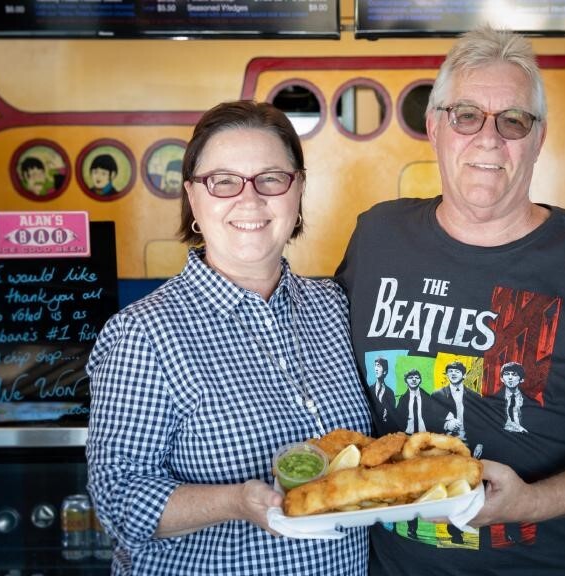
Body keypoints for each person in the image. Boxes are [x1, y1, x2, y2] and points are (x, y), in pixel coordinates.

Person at [335, 26, 565, 573]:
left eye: (514, 120)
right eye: (466, 114)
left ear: (539, 137)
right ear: (434, 127)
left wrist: (530, 503)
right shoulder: (378, 236)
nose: (489, 139)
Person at [86, 100, 372, 575]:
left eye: (271, 179)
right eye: (223, 182)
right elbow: (117, 499)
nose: (250, 199)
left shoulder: (334, 307)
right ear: (193, 199)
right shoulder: (145, 334)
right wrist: (237, 501)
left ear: (298, 188)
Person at [432, 360, 481, 445]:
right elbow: (430, 418)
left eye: (457, 371)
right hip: (445, 442)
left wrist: (480, 443)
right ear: (447, 375)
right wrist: (446, 425)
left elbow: (480, 422)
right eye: (450, 371)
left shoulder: (475, 396)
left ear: (464, 375)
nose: (453, 374)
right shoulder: (437, 395)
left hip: (469, 443)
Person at [499, 361, 528, 433]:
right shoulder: (494, 399)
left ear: (521, 379)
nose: (510, 377)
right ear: (502, 379)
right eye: (506, 374)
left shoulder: (530, 400)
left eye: (514, 374)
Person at [369, 356, 396, 424]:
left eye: (379, 366)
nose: (376, 369)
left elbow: (393, 413)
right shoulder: (369, 389)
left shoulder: (390, 392)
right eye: (375, 366)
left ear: (385, 371)